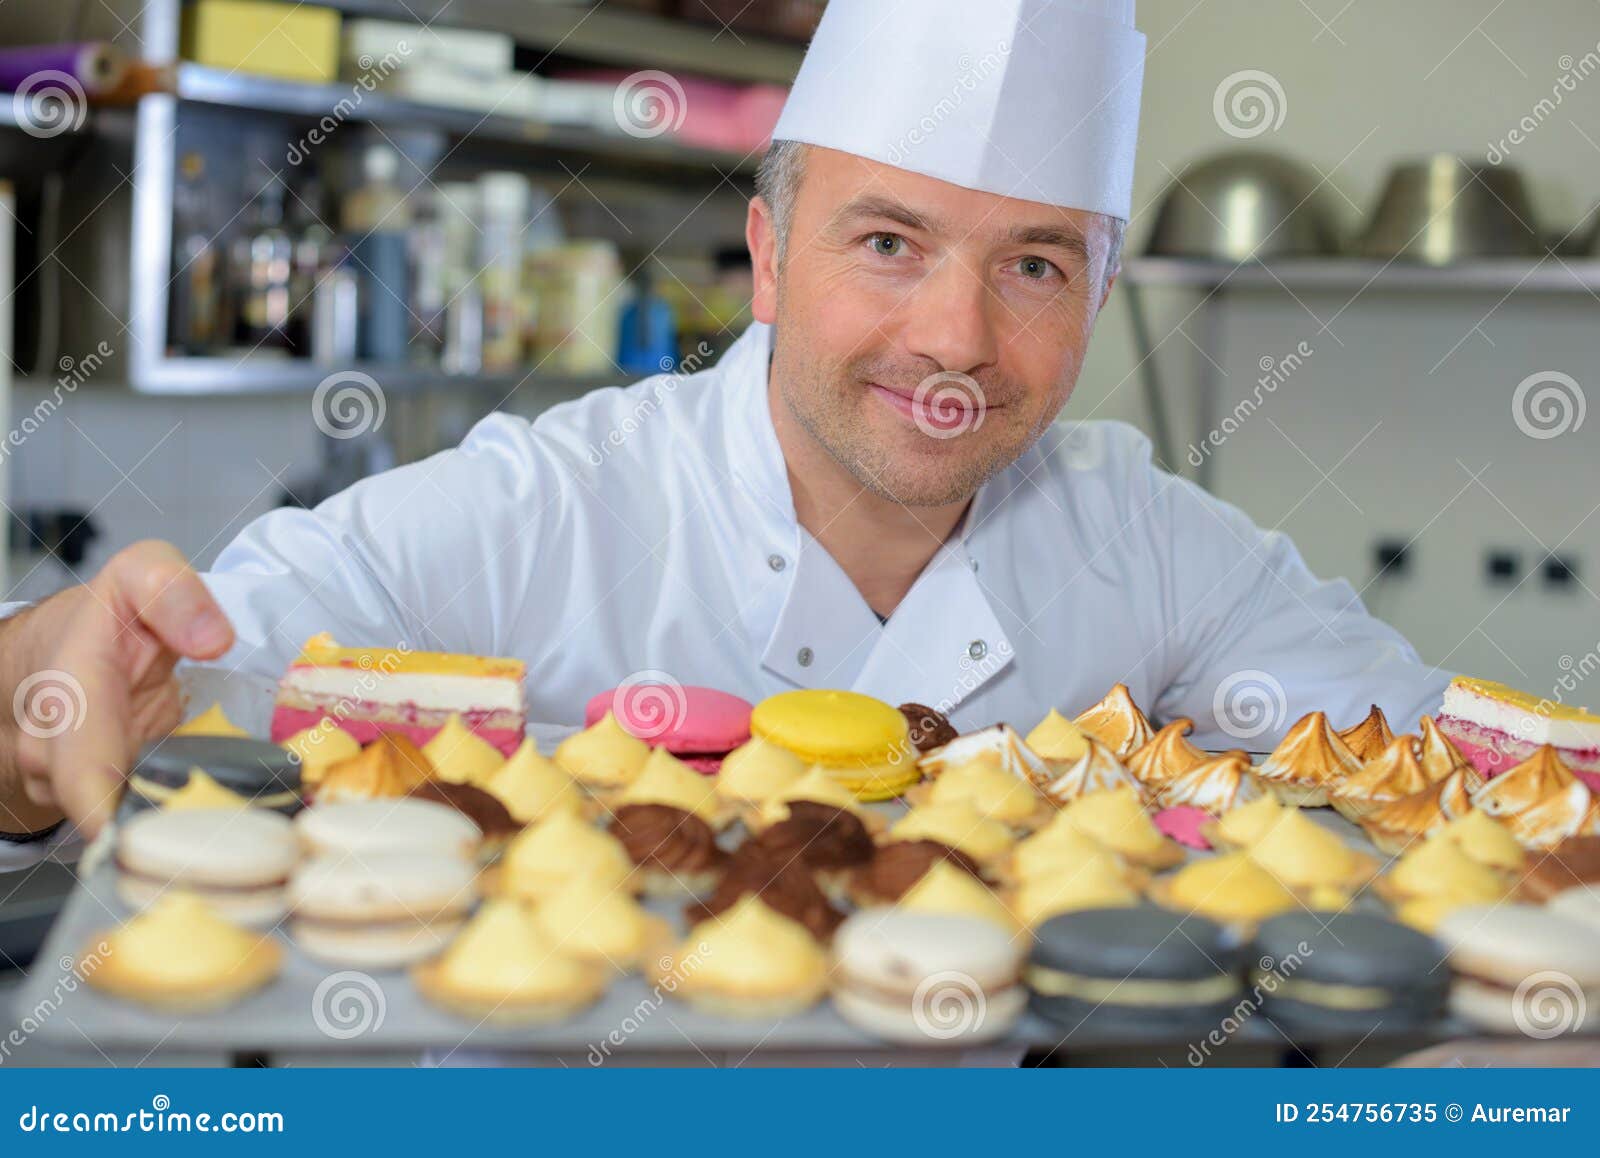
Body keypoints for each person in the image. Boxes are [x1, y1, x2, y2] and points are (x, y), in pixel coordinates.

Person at [0, 0, 1449, 866]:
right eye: (888, 241)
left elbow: (1444, 763)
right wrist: (40, 693)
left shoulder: (1148, 538)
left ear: (1098, 292)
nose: (956, 337)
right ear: (765, 254)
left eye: (1034, 265)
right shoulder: (545, 510)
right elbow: (175, 669)